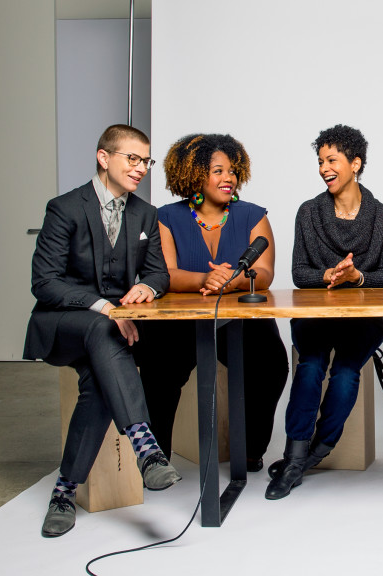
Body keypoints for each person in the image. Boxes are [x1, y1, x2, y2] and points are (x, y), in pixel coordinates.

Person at [24, 124, 181, 538]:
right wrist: (107, 308)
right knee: (101, 328)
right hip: (63, 321)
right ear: (103, 156)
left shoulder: (144, 213)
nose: (141, 168)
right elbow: (45, 282)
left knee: (97, 383)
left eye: (145, 160)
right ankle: (145, 446)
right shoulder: (64, 208)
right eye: (132, 158)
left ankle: (63, 491)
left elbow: (158, 273)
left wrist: (145, 287)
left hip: (110, 330)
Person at [135, 133, 288, 473]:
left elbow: (263, 272)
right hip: (179, 323)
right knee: (159, 374)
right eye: (218, 171)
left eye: (233, 171)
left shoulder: (252, 215)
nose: (228, 178)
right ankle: (156, 461)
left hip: (242, 321)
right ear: (194, 174)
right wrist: (204, 280)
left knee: (272, 366)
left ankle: (249, 450)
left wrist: (231, 281)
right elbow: (165, 273)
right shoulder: (166, 217)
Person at [265, 124, 383, 500]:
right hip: (316, 319)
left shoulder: (382, 216)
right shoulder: (308, 213)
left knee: (343, 376)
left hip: (361, 322)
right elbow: (298, 273)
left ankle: (314, 452)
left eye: (331, 160)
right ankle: (295, 455)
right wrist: (326, 274)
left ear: (355, 163)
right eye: (320, 161)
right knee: (308, 369)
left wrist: (356, 278)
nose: (323, 168)